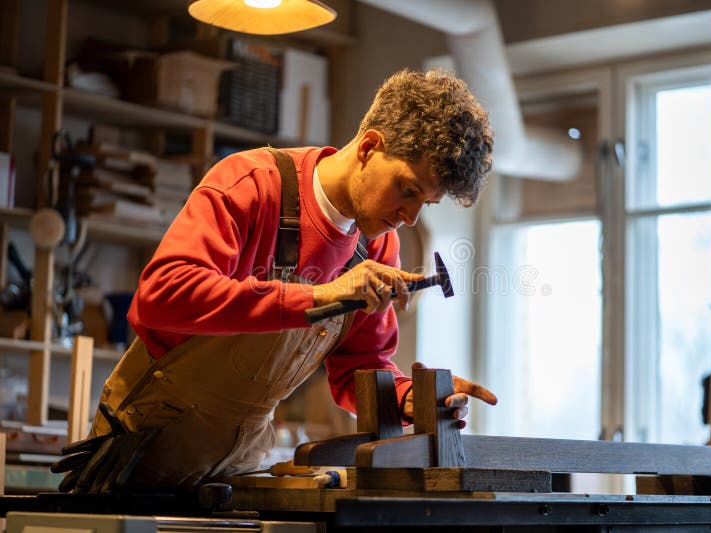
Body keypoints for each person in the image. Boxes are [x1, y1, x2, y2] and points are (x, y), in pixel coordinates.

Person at [53, 68, 497, 493]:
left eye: (427, 203)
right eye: (408, 189)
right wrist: (318, 295)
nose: (409, 217)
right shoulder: (252, 184)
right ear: (369, 147)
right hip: (138, 453)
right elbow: (162, 296)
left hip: (240, 466)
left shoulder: (377, 246)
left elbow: (360, 372)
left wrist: (406, 400)